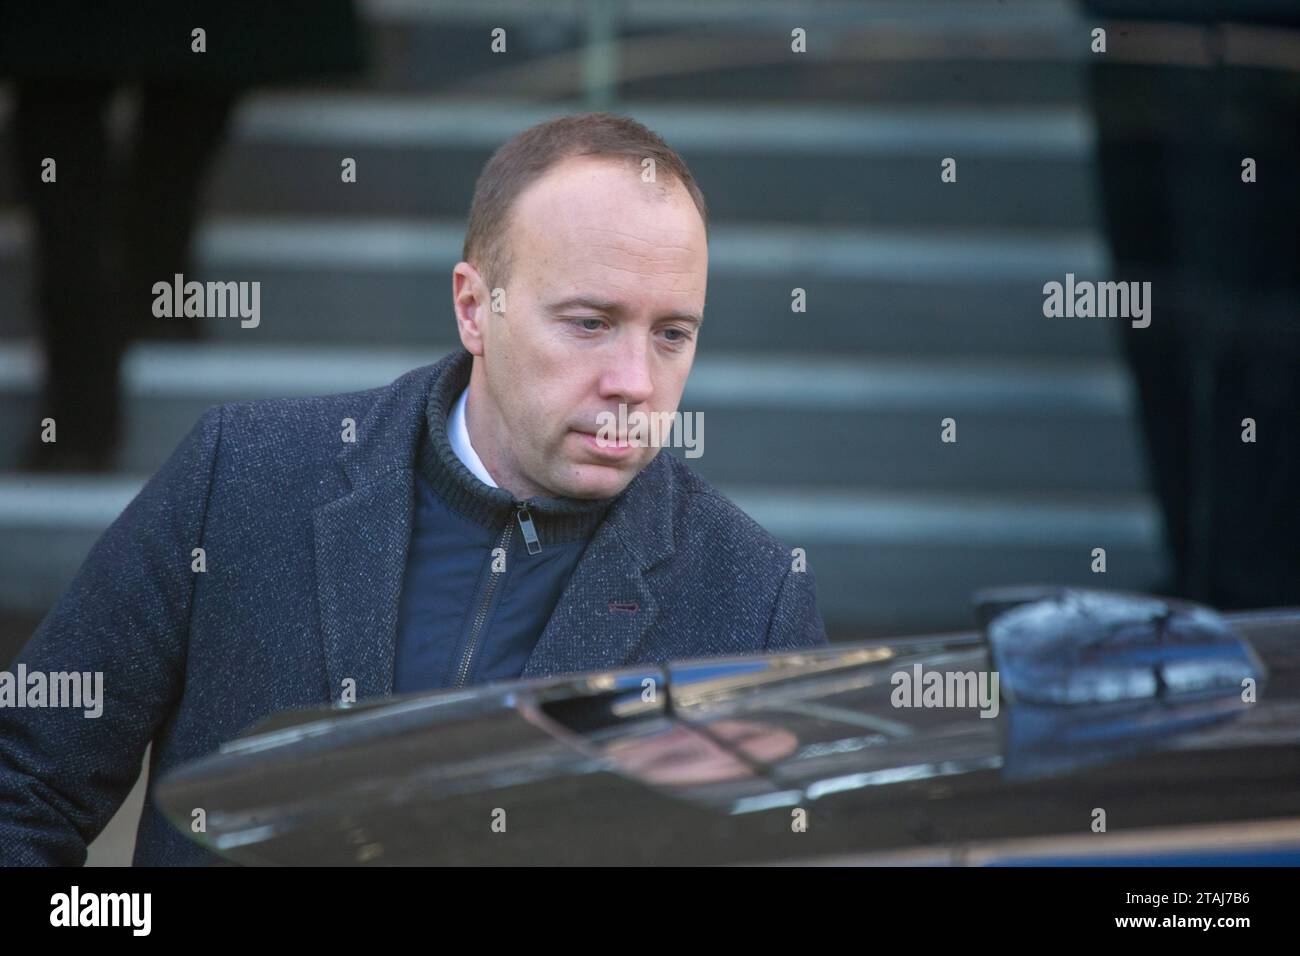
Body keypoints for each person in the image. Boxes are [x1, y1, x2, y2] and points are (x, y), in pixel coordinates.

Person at [0, 112, 830, 866]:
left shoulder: (749, 598)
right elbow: (27, 785)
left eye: (672, 334)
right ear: (475, 307)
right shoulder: (242, 478)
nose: (634, 382)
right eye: (590, 322)